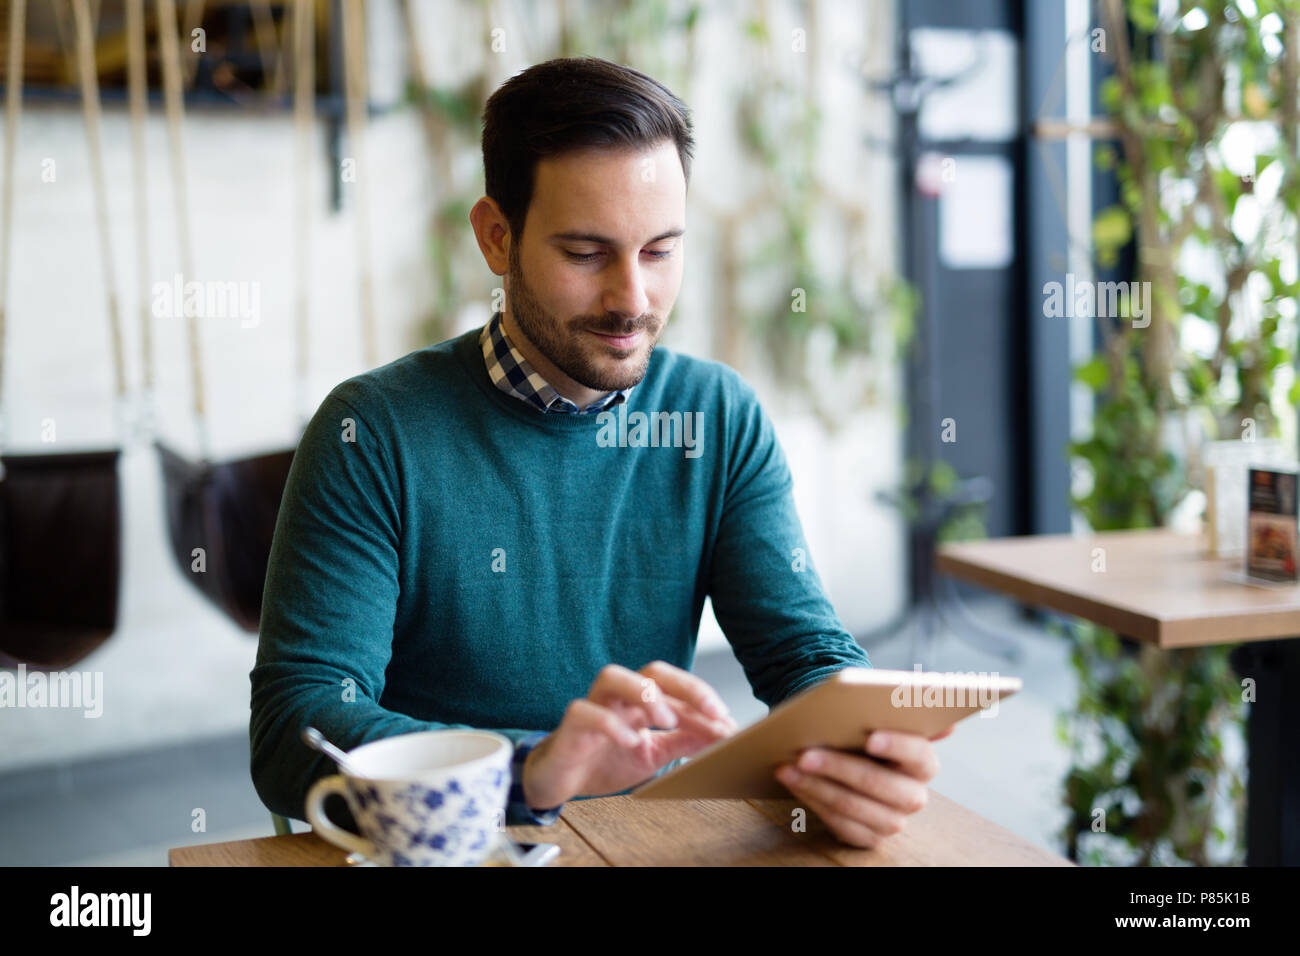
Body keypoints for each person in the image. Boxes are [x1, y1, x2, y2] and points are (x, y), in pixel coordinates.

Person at [250, 56, 942, 851]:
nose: (633, 300)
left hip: (643, 842)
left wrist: (860, 742)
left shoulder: (716, 418)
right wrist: (532, 771)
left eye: (660, 251)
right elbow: (294, 727)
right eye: (586, 253)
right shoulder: (372, 432)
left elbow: (803, 651)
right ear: (496, 237)